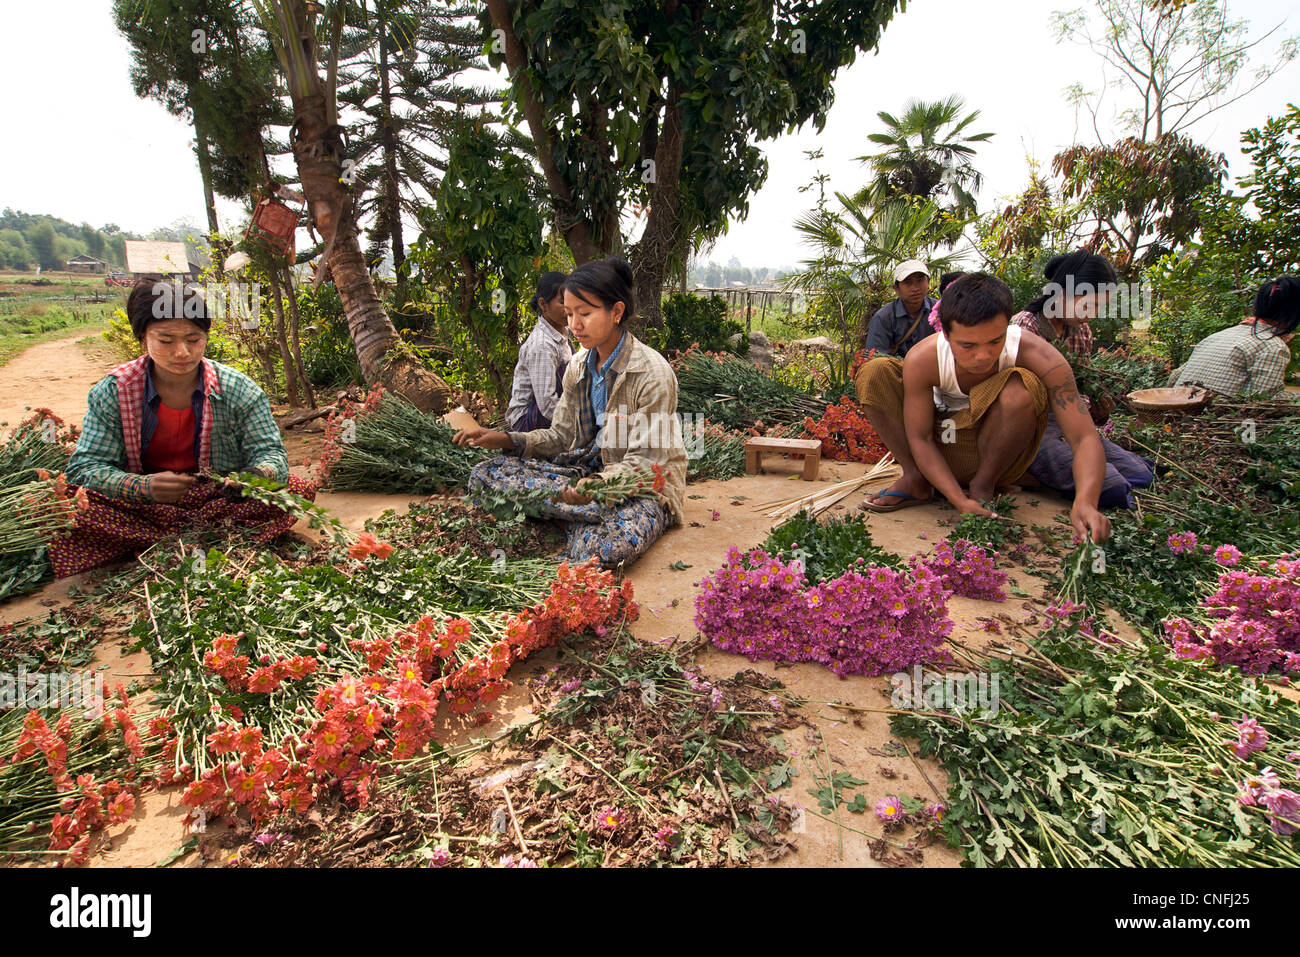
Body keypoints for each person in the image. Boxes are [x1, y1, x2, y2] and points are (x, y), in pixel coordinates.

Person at [52, 276, 312, 578]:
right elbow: (85, 468)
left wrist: (253, 478)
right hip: (141, 506)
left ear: (206, 336)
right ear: (142, 337)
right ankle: (208, 540)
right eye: (165, 340)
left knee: (296, 490)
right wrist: (141, 486)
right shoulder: (114, 391)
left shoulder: (240, 390)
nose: (182, 352)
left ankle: (157, 544)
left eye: (193, 340)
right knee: (63, 506)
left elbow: (271, 455)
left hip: (216, 501)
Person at [453, 257, 687, 568]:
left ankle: (564, 515)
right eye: (569, 313)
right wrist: (505, 439)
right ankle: (579, 518)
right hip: (587, 469)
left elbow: (644, 464)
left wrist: (597, 488)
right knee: (484, 474)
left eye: (585, 314)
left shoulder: (652, 373)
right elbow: (561, 435)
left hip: (639, 485)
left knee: (615, 547)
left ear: (616, 312)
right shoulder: (578, 366)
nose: (574, 325)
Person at [855, 272, 1111, 543]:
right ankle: (917, 480)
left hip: (993, 454)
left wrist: (1086, 502)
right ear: (944, 331)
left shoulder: (1039, 353)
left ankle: (983, 485)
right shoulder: (923, 358)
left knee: (1023, 385)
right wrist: (957, 500)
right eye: (967, 345)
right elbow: (921, 438)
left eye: (994, 341)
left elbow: (1083, 436)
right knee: (875, 372)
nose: (983, 356)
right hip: (938, 448)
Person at [1011, 251, 1155, 509]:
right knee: (1112, 488)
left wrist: (1094, 408)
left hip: (1070, 424)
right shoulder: (1026, 327)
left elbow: (1079, 391)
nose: (1091, 314)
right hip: (1033, 427)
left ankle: (1059, 472)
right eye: (1088, 304)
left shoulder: (1081, 331)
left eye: (1098, 307)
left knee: (1141, 475)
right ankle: (1030, 470)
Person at [1169, 277, 1299, 396]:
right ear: (1294, 314)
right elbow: (1263, 401)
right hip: (1214, 419)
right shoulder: (1272, 346)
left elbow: (1174, 377)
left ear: (1256, 306)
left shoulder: (1215, 337)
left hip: (1173, 413)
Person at [505, 271, 572, 431]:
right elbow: (547, 406)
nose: (569, 308)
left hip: (549, 412)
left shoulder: (564, 331)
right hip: (526, 421)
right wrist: (579, 422)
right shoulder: (542, 345)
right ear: (543, 305)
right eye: (562, 302)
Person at [864, 260, 937, 358]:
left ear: (928, 282)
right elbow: (874, 357)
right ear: (896, 289)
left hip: (933, 368)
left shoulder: (940, 310)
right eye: (908, 283)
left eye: (920, 280)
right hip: (896, 370)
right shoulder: (884, 317)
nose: (915, 288)